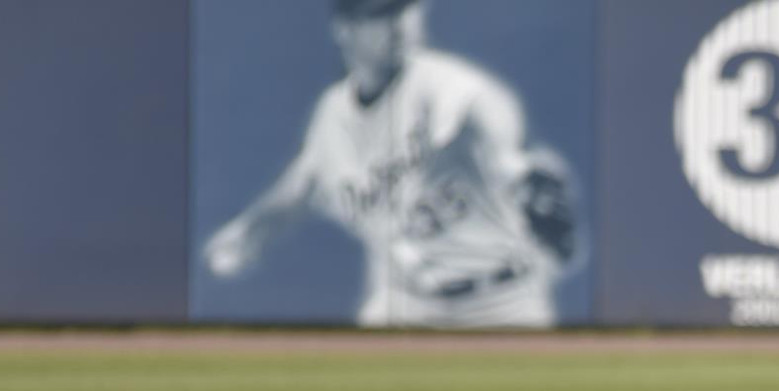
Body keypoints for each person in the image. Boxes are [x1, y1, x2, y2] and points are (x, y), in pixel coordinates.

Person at [203, 0, 581, 328]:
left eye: (404, 9)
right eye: (380, 15)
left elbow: (489, 120)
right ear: (345, 30)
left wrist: (520, 170)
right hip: (406, 303)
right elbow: (302, 183)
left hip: (501, 302)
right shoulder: (333, 114)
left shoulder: (443, 84)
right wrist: (248, 232)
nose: (399, 24)